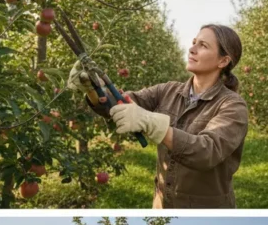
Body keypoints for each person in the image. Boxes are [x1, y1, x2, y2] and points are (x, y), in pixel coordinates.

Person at [73, 24, 248, 208]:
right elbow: (121, 105)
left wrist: (153, 124)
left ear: (223, 61)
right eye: (194, 42)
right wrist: (93, 89)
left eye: (203, 45)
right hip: (162, 205)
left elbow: (207, 152)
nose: (192, 49)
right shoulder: (168, 90)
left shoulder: (232, 106)